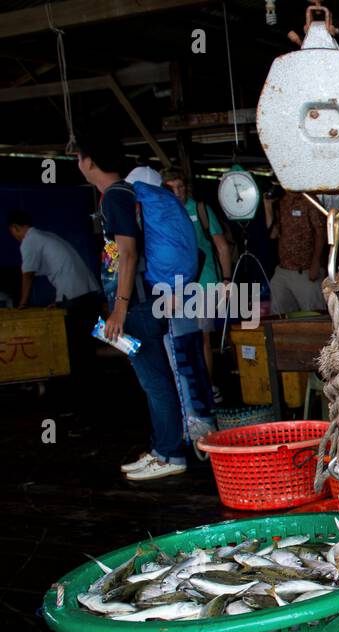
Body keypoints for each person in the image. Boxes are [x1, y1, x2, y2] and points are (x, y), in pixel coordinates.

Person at [77, 130, 188, 480]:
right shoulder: (122, 194)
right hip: (141, 300)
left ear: (89, 161)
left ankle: (170, 454)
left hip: (137, 303)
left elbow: (127, 252)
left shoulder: (115, 197)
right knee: (153, 379)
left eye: (79, 156)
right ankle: (160, 449)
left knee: (155, 381)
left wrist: (120, 308)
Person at [7, 209, 102, 379]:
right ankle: (91, 378)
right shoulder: (46, 236)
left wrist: (22, 304)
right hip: (86, 291)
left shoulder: (30, 241)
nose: (14, 237)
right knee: (87, 343)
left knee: (75, 345)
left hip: (75, 295)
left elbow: (27, 275)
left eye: (12, 232)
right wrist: (59, 301)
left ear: (15, 228)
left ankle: (82, 382)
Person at [164, 171, 233, 388]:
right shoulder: (162, 213)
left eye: (181, 186)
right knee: (179, 338)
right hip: (175, 285)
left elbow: (222, 246)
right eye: (172, 188)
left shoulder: (200, 209)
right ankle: (188, 389)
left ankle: (207, 387)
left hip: (205, 281)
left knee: (202, 337)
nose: (178, 192)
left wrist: (226, 279)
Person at [269, 189, 325, 314]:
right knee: (279, 316)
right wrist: (268, 206)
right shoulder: (281, 202)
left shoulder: (310, 201)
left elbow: (320, 233)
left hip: (305, 271)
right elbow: (273, 234)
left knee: (314, 316)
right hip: (283, 270)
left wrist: (315, 264)